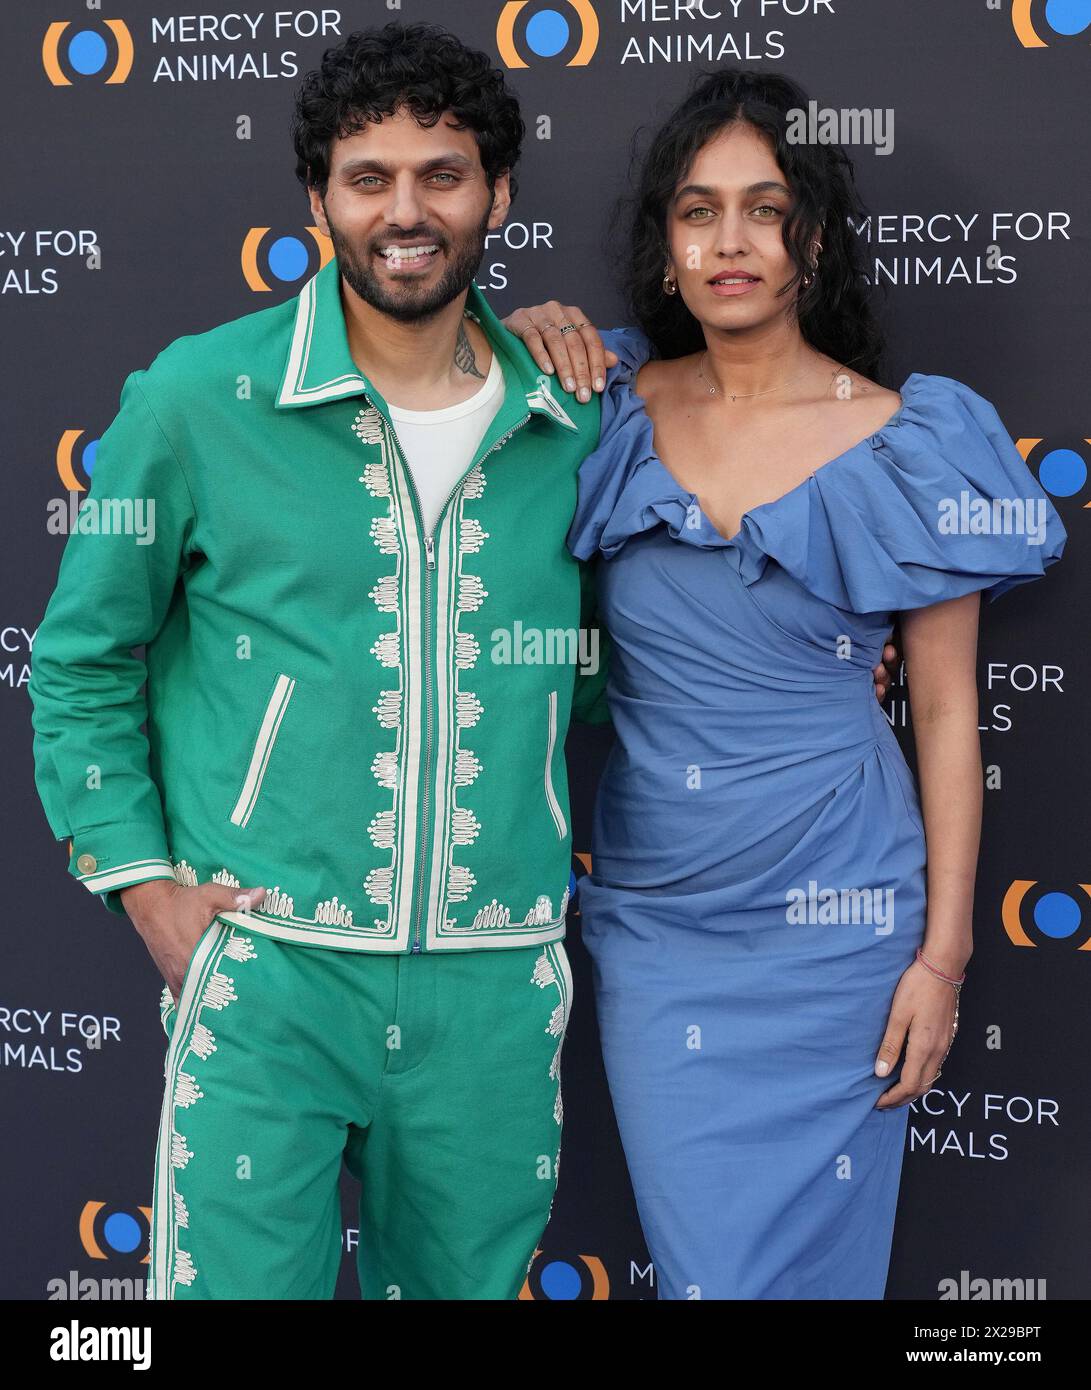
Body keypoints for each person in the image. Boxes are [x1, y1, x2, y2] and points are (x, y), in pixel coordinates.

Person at [27, 22, 611, 1301]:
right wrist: (143, 887)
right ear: (317, 196)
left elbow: (619, 668)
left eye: (442, 174)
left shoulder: (574, 419)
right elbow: (78, 659)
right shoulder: (197, 397)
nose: (405, 211)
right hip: (272, 965)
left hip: (491, 986)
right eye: (368, 177)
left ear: (498, 193)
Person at [502, 68, 1067, 1299]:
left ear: (811, 236)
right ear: (663, 247)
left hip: (843, 923)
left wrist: (942, 958)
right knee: (707, 1268)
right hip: (661, 924)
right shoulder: (599, 410)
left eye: (764, 209)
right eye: (697, 211)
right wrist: (534, 332)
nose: (730, 241)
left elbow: (948, 715)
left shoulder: (912, 440)